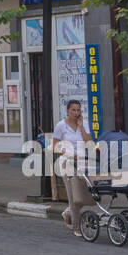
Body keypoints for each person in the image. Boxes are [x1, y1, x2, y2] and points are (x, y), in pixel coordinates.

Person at [51, 99, 92, 237]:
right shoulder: (61, 126)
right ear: (67, 111)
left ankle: (68, 212)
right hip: (67, 162)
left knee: (87, 193)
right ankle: (76, 226)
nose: (76, 113)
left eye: (78, 110)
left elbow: (89, 142)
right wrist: (68, 154)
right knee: (73, 195)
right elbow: (55, 146)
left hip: (83, 161)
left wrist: (81, 127)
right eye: (73, 110)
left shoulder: (84, 123)